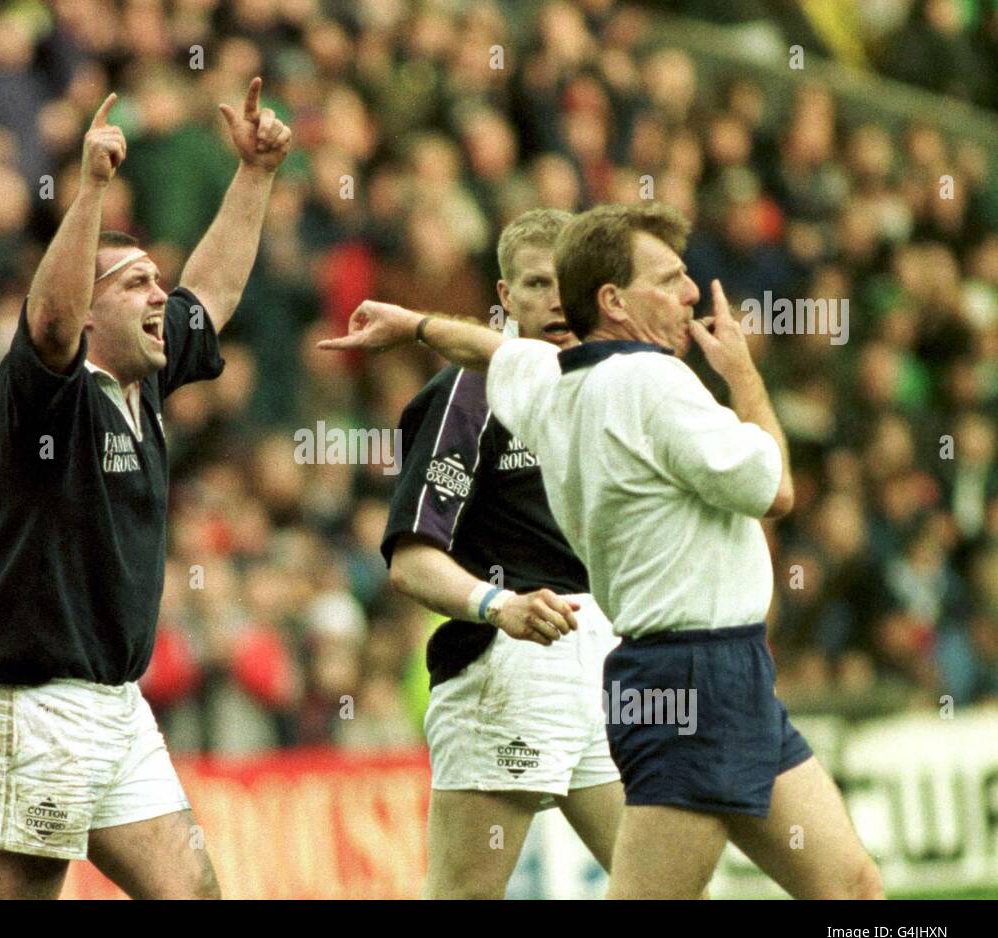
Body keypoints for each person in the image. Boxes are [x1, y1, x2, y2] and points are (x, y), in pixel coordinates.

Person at [321, 202, 883, 900]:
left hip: (639, 656)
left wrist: (417, 327)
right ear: (611, 299)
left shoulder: (554, 381)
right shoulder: (636, 384)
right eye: (670, 278)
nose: (689, 292)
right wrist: (742, 372)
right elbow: (777, 490)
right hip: (590, 667)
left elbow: (512, 356)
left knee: (846, 889)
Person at [0, 81, 291, 899]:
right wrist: (91, 189)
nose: (158, 295)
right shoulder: (40, 394)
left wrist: (256, 176)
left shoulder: (144, 388)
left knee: (195, 895)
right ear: (89, 313)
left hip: (113, 704)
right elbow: (50, 323)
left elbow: (216, 294)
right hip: (25, 702)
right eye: (134, 284)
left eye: (155, 282)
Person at [380, 208, 625, 899]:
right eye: (536, 284)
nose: (554, 300)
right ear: (504, 296)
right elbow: (410, 558)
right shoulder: (468, 393)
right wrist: (500, 605)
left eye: (567, 283)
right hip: (511, 667)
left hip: (602, 662)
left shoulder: (601, 389)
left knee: (668, 888)